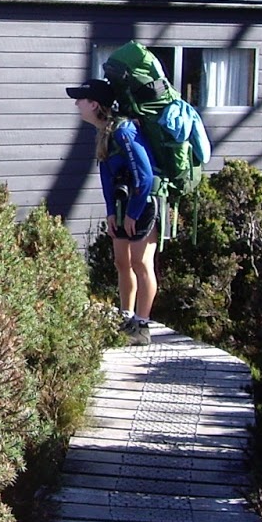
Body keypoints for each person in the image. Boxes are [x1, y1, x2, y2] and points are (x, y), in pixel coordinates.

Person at [67, 77, 160, 346]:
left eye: (81, 100)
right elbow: (108, 178)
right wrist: (111, 212)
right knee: (122, 262)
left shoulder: (123, 132)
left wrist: (132, 213)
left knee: (142, 264)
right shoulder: (104, 132)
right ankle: (125, 316)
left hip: (141, 204)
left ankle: (142, 327)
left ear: (95, 104)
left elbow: (144, 177)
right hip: (122, 206)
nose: (76, 104)